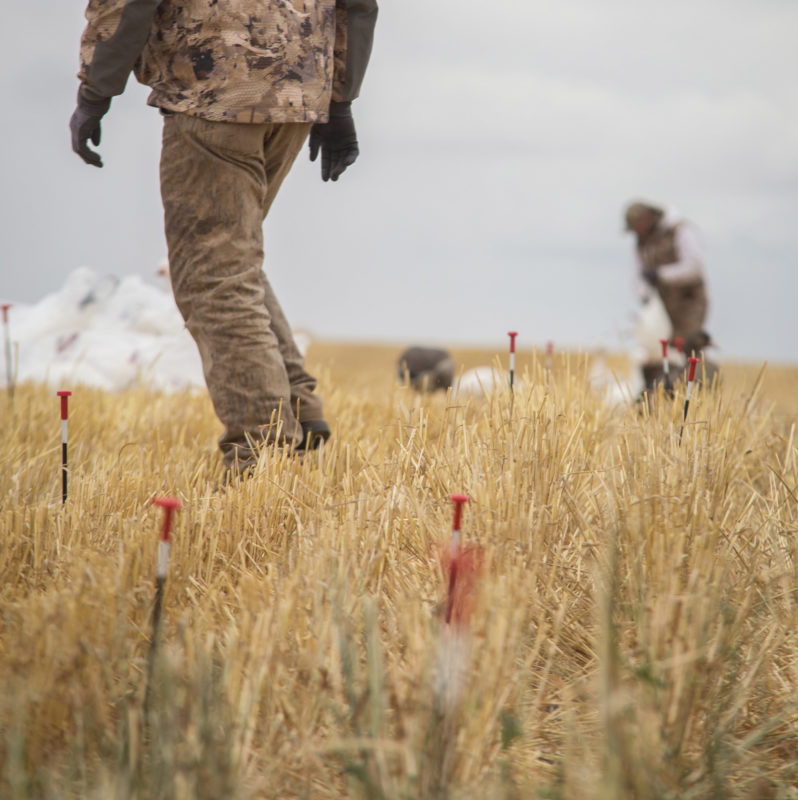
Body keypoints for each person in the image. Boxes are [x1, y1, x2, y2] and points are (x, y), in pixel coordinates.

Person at [70, 0, 378, 474]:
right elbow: (358, 5)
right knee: (232, 263)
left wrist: (95, 90)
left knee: (212, 278)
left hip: (215, 91)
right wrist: (341, 101)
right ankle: (295, 403)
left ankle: (263, 455)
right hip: (299, 91)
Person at [624, 201, 713, 391]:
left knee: (687, 349)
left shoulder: (680, 231)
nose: (635, 233)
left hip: (688, 305)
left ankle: (694, 394)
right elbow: (636, 275)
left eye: (636, 227)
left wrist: (661, 274)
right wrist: (645, 295)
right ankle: (661, 398)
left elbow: (694, 267)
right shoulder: (641, 242)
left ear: (647, 219)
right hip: (662, 308)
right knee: (660, 354)